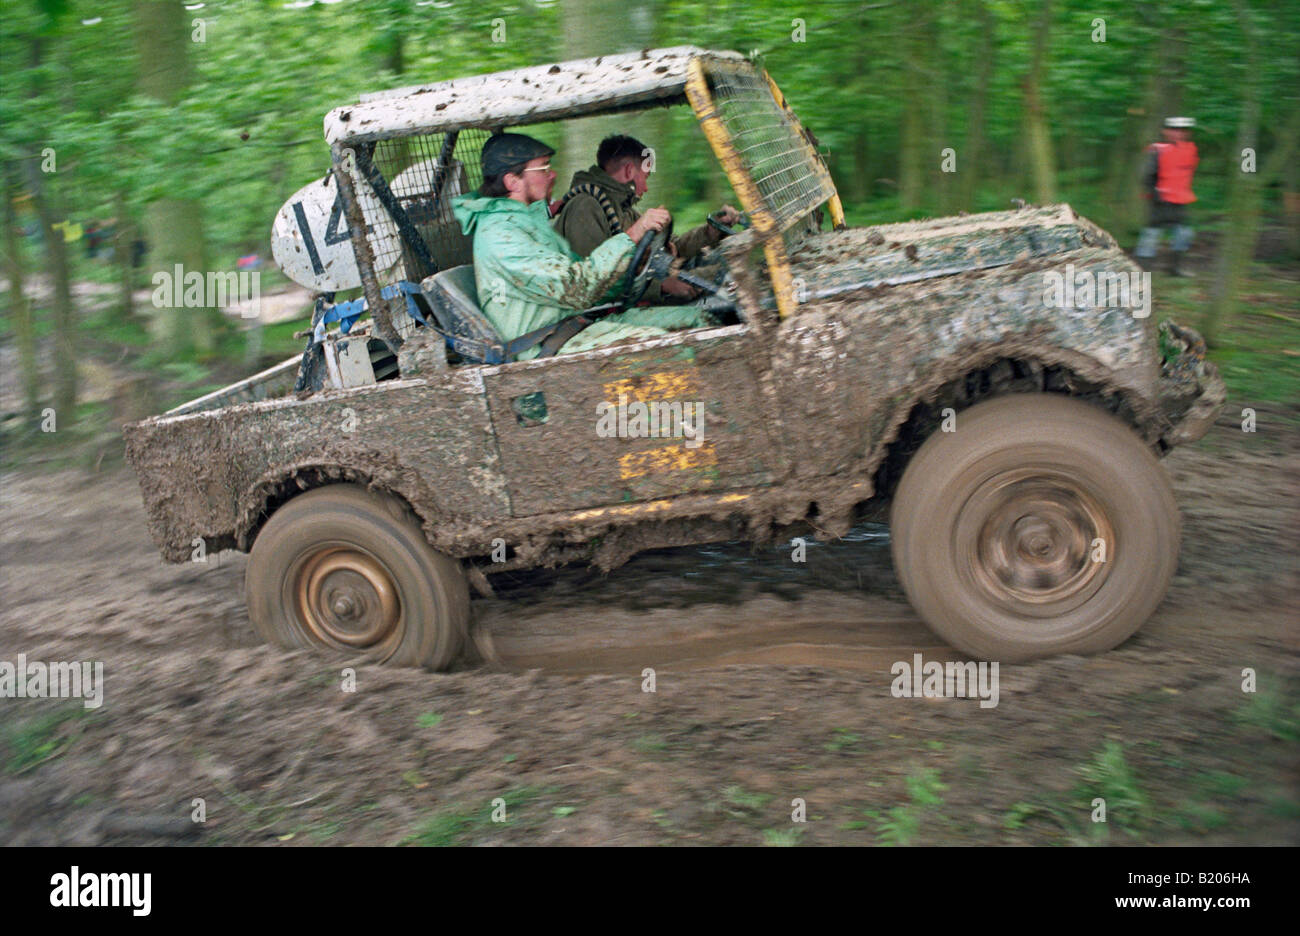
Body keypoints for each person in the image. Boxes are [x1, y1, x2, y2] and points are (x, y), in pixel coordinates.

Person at [451, 133, 716, 359]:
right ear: (512, 181)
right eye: (543, 169)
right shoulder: (502, 236)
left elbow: (583, 277)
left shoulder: (524, 223)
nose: (552, 175)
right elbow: (576, 286)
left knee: (702, 321)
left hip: (572, 324)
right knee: (662, 348)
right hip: (543, 345)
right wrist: (632, 235)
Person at [552, 134, 741, 301]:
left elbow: (671, 247)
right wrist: (661, 287)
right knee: (712, 298)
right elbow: (590, 282)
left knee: (728, 264)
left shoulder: (622, 209)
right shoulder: (585, 207)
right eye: (645, 177)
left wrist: (710, 232)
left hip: (634, 292)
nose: (646, 188)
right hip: (595, 316)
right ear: (628, 171)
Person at [1135, 116, 1199, 276]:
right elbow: (1146, 176)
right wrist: (1155, 194)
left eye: (1182, 131)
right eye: (1175, 130)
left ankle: (1174, 268)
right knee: (1151, 235)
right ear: (1166, 131)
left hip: (1181, 200)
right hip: (1160, 201)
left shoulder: (1190, 149)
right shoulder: (1157, 150)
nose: (1179, 134)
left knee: (1183, 234)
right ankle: (1142, 271)